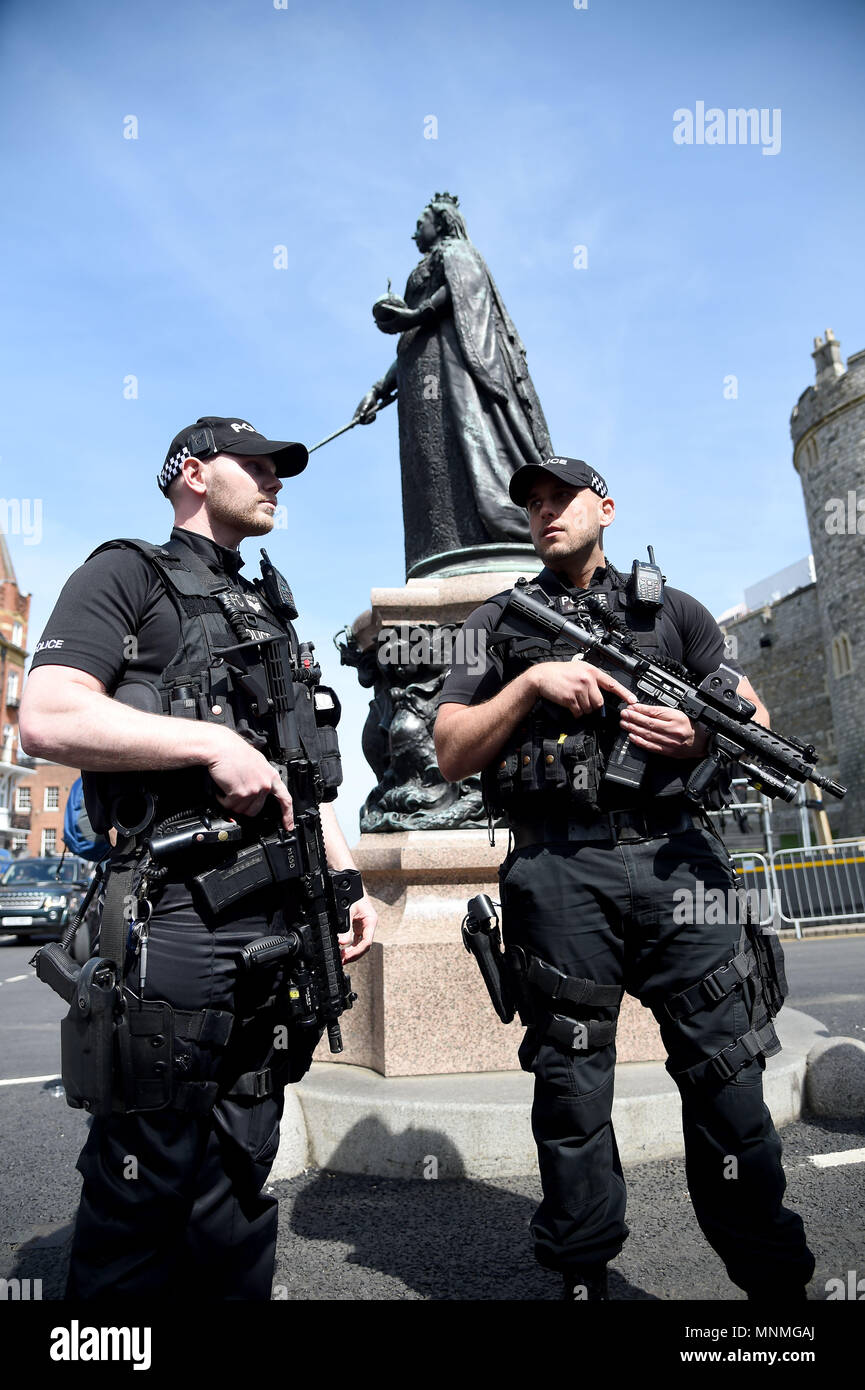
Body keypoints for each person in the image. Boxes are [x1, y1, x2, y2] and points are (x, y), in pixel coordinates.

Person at [434, 455, 815, 1302]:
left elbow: (753, 713)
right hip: (560, 869)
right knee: (571, 1091)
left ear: (604, 507)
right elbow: (450, 748)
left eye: (559, 498)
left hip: (679, 857)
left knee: (729, 1081)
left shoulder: (672, 608)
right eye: (530, 504)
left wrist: (696, 736)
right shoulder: (491, 620)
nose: (543, 513)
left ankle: (775, 1296)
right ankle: (581, 1280)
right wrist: (531, 681)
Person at [20, 415, 377, 1300]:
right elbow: (49, 713)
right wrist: (203, 745)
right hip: (174, 910)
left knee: (239, 1169)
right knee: (141, 1179)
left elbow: (301, 774)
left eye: (279, 469)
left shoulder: (268, 601)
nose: (274, 480)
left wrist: (344, 884)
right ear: (189, 472)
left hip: (277, 917)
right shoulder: (126, 572)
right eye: (252, 465)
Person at [353, 192, 552, 576]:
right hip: (421, 385)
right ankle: (442, 554)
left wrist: (412, 314)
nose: (414, 233)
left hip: (455, 374)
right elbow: (414, 342)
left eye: (420, 222)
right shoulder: (432, 273)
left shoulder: (457, 253)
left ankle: (483, 540)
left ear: (440, 221)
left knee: (463, 451)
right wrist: (380, 389)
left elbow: (464, 293)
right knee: (431, 464)